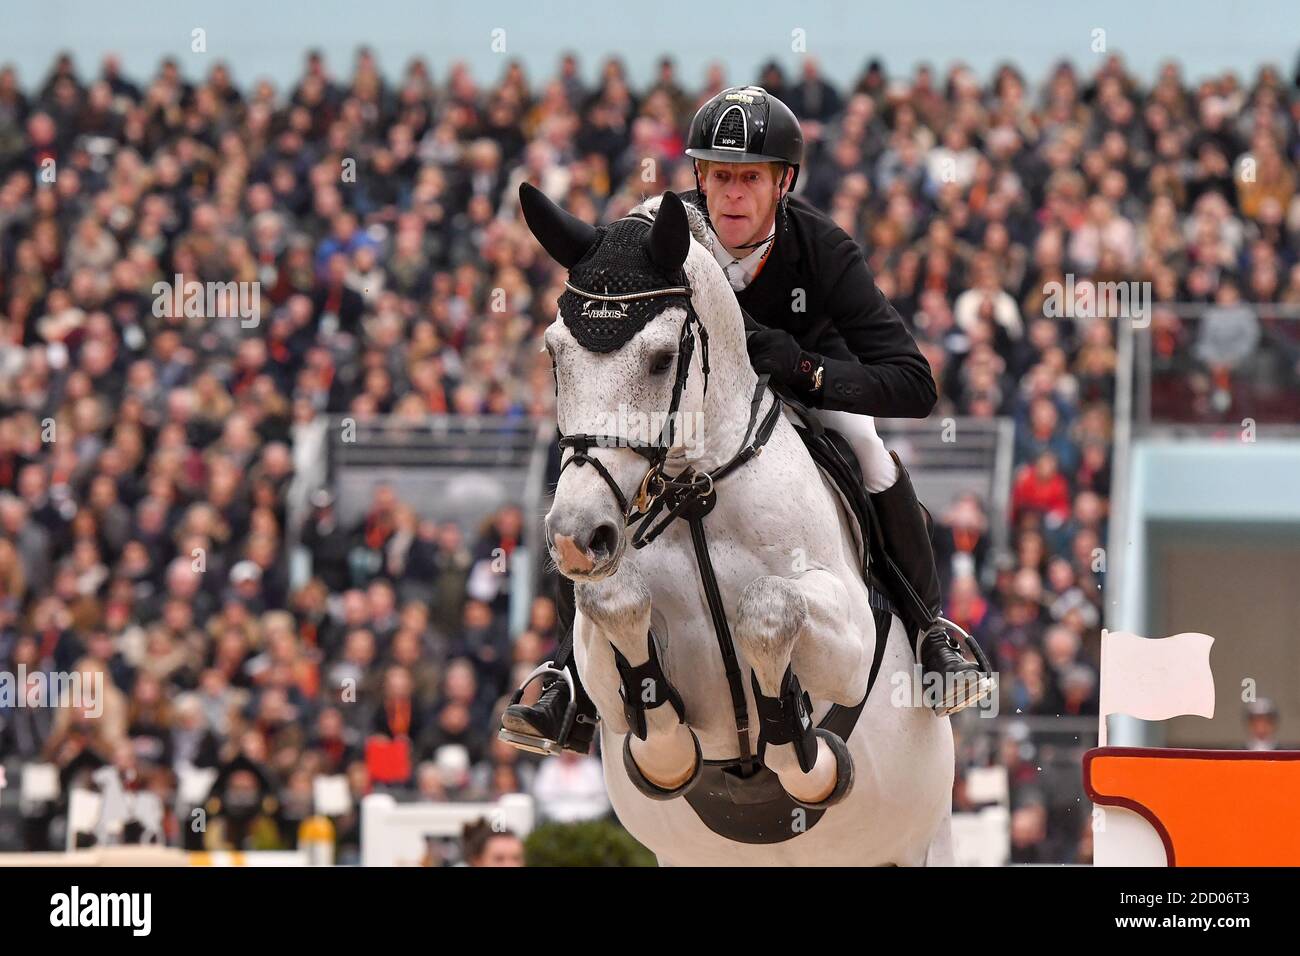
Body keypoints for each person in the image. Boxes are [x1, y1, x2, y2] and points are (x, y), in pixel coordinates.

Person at [502, 85, 991, 757]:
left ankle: (930, 631)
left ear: (782, 182)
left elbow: (915, 383)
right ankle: (568, 680)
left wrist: (806, 369)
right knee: (596, 472)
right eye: (719, 176)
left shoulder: (822, 248)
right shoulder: (656, 234)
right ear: (699, 176)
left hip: (803, 390)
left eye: (749, 179)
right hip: (692, 409)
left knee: (869, 449)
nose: (732, 194)